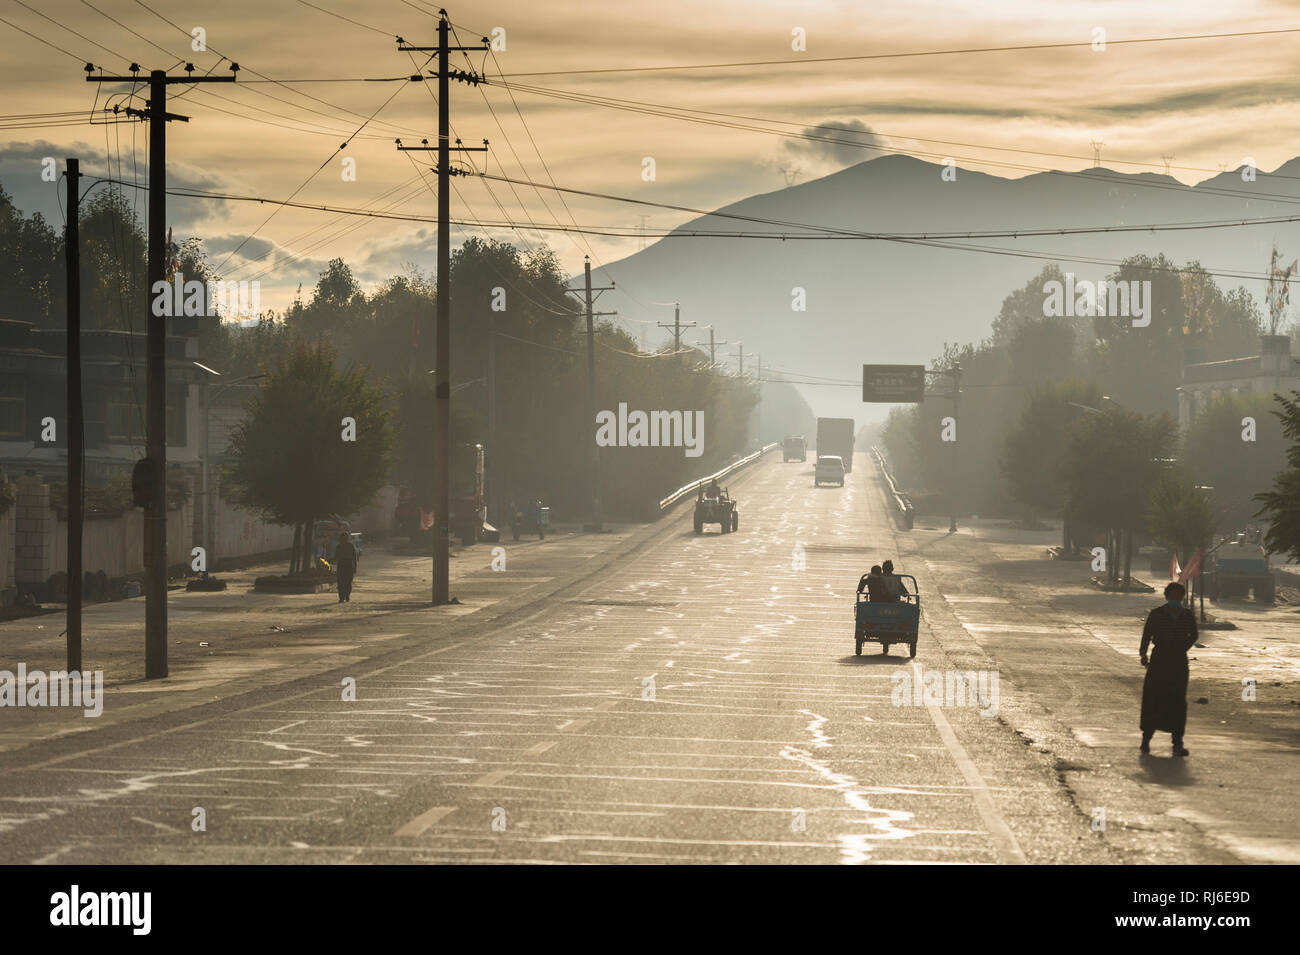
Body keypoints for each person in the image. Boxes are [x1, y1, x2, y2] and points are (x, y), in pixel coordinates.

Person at [1139, 581, 1197, 756]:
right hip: (1159, 661)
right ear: (1166, 597)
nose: (1175, 599)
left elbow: (1193, 635)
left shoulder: (1187, 615)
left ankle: (1177, 743)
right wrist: (1143, 654)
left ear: (1182, 598)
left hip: (1178, 663)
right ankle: (1146, 740)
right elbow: (1146, 635)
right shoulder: (1157, 614)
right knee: (1153, 699)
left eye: (1178, 597)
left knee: (1178, 701)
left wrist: (1182, 647)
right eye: (1172, 597)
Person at [334, 531, 358, 603]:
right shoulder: (339, 546)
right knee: (341, 582)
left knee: (347, 582)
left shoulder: (350, 546)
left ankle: (346, 595)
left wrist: (355, 567)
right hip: (342, 565)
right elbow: (336, 556)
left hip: (348, 565)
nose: (344, 539)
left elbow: (354, 557)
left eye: (346, 538)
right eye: (343, 538)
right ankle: (342, 597)